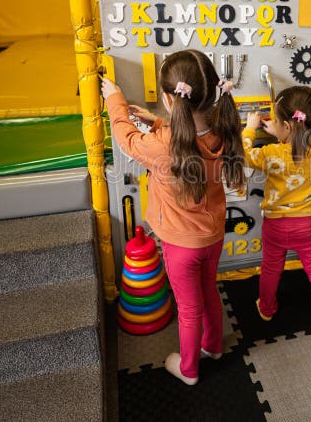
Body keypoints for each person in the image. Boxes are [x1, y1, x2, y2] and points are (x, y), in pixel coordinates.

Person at [101, 50, 245, 386]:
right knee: (209, 291)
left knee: (189, 309)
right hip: (212, 236)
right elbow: (187, 135)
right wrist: (156, 122)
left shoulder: (162, 145)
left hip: (181, 247)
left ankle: (189, 369)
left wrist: (115, 100)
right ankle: (213, 347)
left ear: (169, 99)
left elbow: (126, 139)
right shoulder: (223, 126)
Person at [243, 86, 311, 323]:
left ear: (287, 126)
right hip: (308, 224)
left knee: (271, 267)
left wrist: (250, 129)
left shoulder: (270, 153)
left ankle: (267, 308)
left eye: (276, 121)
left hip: (276, 226)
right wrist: (280, 132)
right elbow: (295, 145)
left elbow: (245, 154)